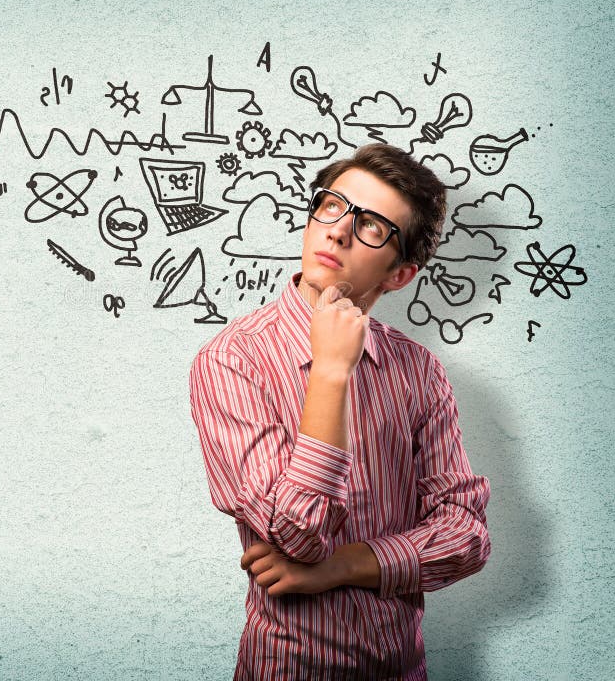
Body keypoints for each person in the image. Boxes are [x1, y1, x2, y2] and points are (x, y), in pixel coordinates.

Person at [189, 144, 491, 680]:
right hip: (292, 669)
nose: (339, 231)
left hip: (405, 669)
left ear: (399, 275)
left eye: (372, 226)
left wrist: (343, 567)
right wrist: (330, 374)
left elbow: (465, 536)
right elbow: (297, 537)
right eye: (333, 206)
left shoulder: (419, 370)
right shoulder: (233, 361)